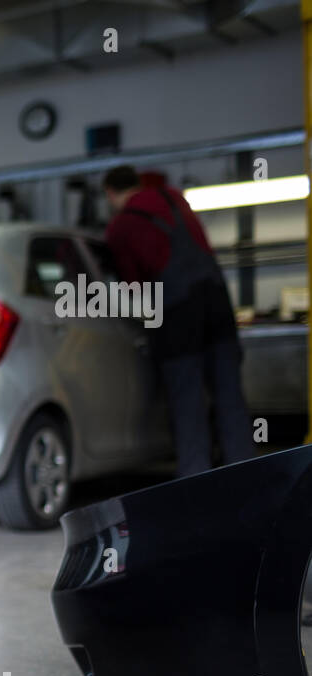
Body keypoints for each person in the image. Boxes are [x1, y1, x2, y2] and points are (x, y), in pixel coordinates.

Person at [102, 165, 254, 478]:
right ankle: (246, 476)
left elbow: (133, 285)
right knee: (230, 396)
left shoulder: (119, 227)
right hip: (216, 299)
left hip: (177, 311)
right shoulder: (173, 197)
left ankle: (195, 482)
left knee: (188, 403)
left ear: (110, 194)